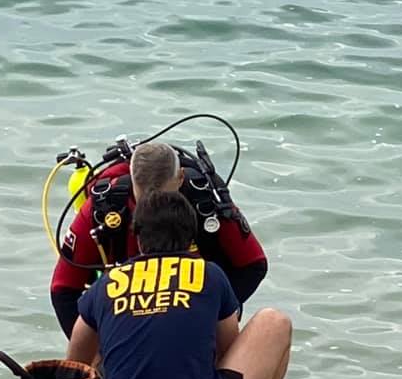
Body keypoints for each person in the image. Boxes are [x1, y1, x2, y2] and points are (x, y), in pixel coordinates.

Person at [66, 190, 292, 379]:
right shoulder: (209, 274)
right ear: (191, 237)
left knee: (104, 349)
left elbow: (74, 366)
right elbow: (227, 353)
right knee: (274, 321)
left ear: (139, 238)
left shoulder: (109, 282)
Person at [51, 141, 267, 338]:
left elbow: (253, 265)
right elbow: (63, 289)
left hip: (196, 312)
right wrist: (95, 356)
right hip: (123, 319)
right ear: (131, 177)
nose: (152, 209)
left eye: (162, 198)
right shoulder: (106, 206)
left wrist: (212, 312)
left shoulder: (203, 201)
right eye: (145, 197)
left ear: (181, 178)